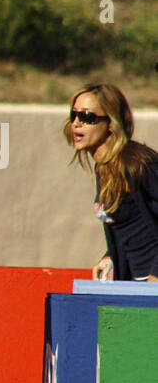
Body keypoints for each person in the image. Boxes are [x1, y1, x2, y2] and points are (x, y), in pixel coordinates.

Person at [63, 84, 158, 282]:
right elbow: (129, 230)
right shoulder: (104, 167)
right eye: (74, 115)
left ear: (110, 123)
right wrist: (110, 256)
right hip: (136, 282)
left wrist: (156, 274)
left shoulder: (137, 165)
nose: (77, 123)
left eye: (88, 117)